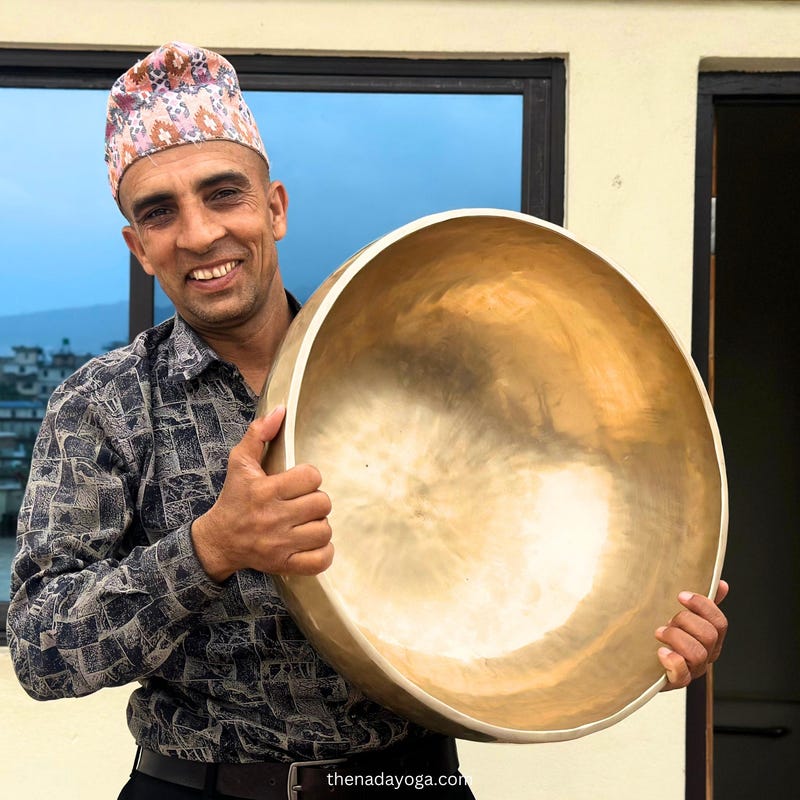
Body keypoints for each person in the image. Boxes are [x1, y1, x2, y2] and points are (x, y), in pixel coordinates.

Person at [7, 42, 728, 800]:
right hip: (202, 787)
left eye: (224, 195)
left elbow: (534, 562)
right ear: (137, 247)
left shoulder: (410, 357)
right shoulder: (105, 402)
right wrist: (210, 548)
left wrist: (647, 642)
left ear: (275, 208)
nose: (199, 234)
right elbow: (40, 652)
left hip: (405, 783)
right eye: (160, 213)